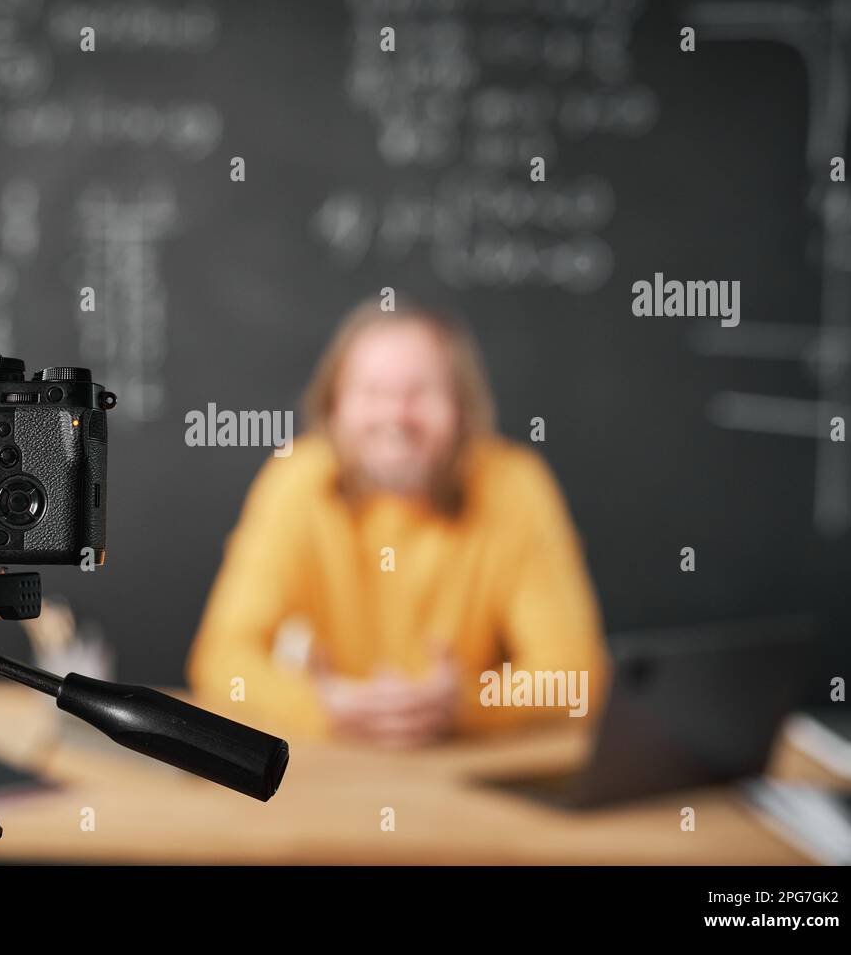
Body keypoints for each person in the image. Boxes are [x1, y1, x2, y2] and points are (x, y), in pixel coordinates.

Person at [186, 299, 609, 747]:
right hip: (333, 773)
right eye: (372, 392)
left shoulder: (514, 485)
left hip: (468, 773)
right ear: (334, 408)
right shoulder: (296, 481)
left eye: (420, 393)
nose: (395, 416)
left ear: (462, 410)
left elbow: (576, 672)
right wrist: (320, 705)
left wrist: (468, 705)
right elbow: (220, 658)